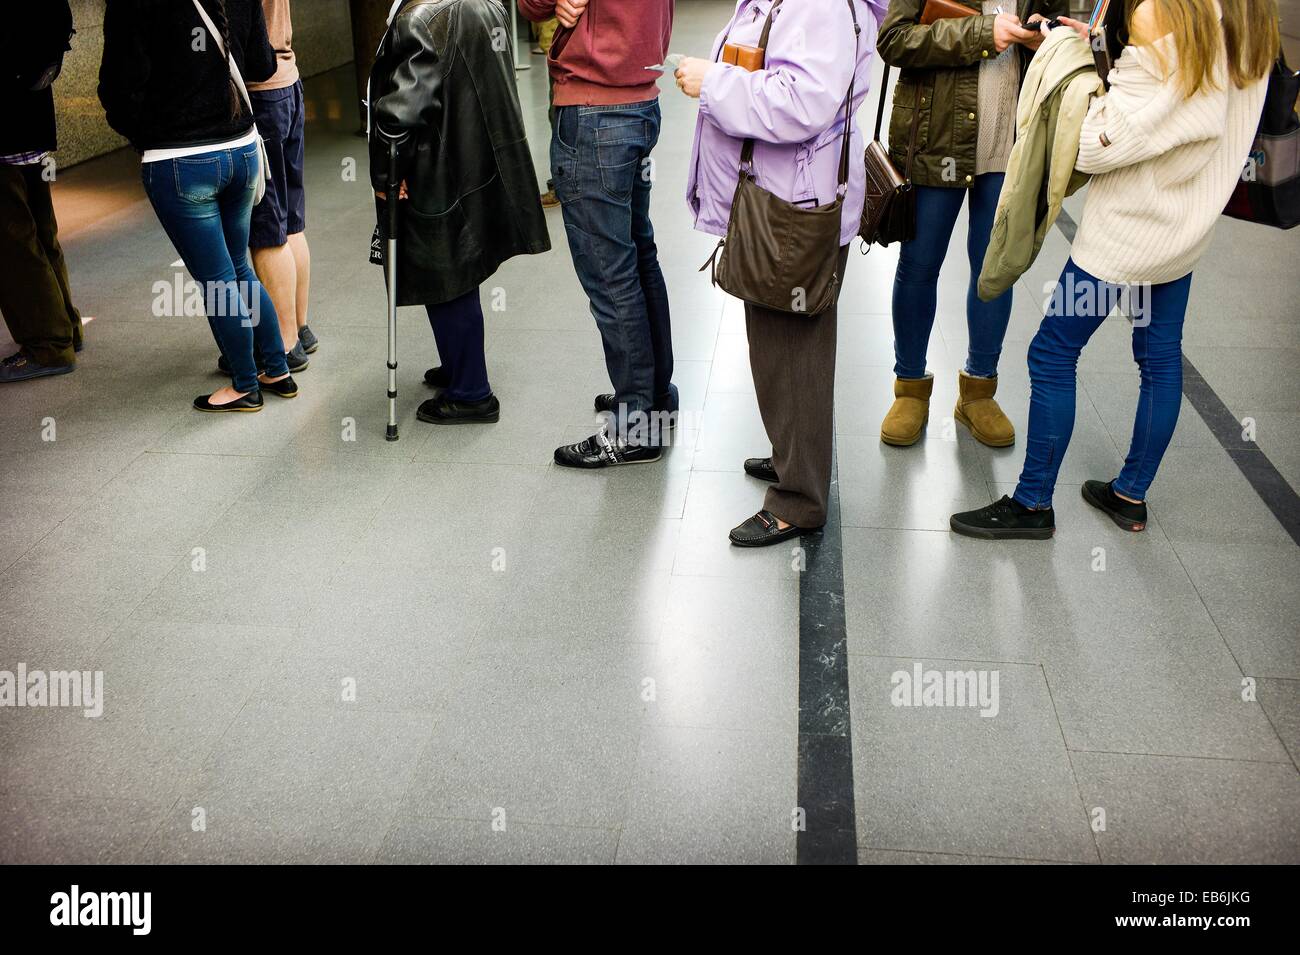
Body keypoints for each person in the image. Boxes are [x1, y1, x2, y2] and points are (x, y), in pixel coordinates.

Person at [951, 0, 1278, 540]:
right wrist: (1110, 51)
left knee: (1052, 351)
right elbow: (1181, 104)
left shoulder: (1160, 13)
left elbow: (1096, 146)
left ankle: (1032, 504)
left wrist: (1090, 73)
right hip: (1186, 228)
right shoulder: (1252, 16)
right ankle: (1130, 494)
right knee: (1159, 357)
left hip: (1126, 234)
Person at [675, 0, 885, 546]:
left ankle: (800, 500)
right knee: (790, 354)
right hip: (782, 196)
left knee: (790, 357)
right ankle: (798, 459)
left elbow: (802, 103)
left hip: (789, 206)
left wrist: (714, 83)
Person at [875, 0, 1068, 449]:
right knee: (919, 266)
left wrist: (1044, 39)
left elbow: (1056, 38)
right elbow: (894, 39)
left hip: (1010, 145)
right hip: (937, 139)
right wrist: (981, 34)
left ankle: (978, 391)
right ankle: (909, 386)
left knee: (993, 271)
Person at [100, 0, 294, 413]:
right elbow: (261, 65)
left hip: (180, 159)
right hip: (242, 151)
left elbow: (117, 88)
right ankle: (276, 368)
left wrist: (147, 134)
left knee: (218, 278)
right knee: (238, 267)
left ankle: (244, 383)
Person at [369, 0, 550, 425]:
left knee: (446, 275)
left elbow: (401, 114)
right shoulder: (482, 4)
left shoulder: (420, 19)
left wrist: (386, 173)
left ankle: (471, 392)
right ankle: (457, 366)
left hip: (435, 167)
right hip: (475, 156)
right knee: (459, 271)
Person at [519, 0, 679, 468]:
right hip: (641, 100)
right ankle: (653, 399)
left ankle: (635, 427)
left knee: (611, 275)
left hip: (594, 108)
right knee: (637, 256)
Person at [0, 0, 83, 384]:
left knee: (13, 241)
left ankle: (48, 344)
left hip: (7, 121)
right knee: (39, 231)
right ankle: (64, 324)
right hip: (29, 115)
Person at [243, 0, 315, 373]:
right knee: (291, 222)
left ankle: (285, 344)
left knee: (267, 229)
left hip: (260, 92)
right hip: (289, 81)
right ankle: (300, 328)